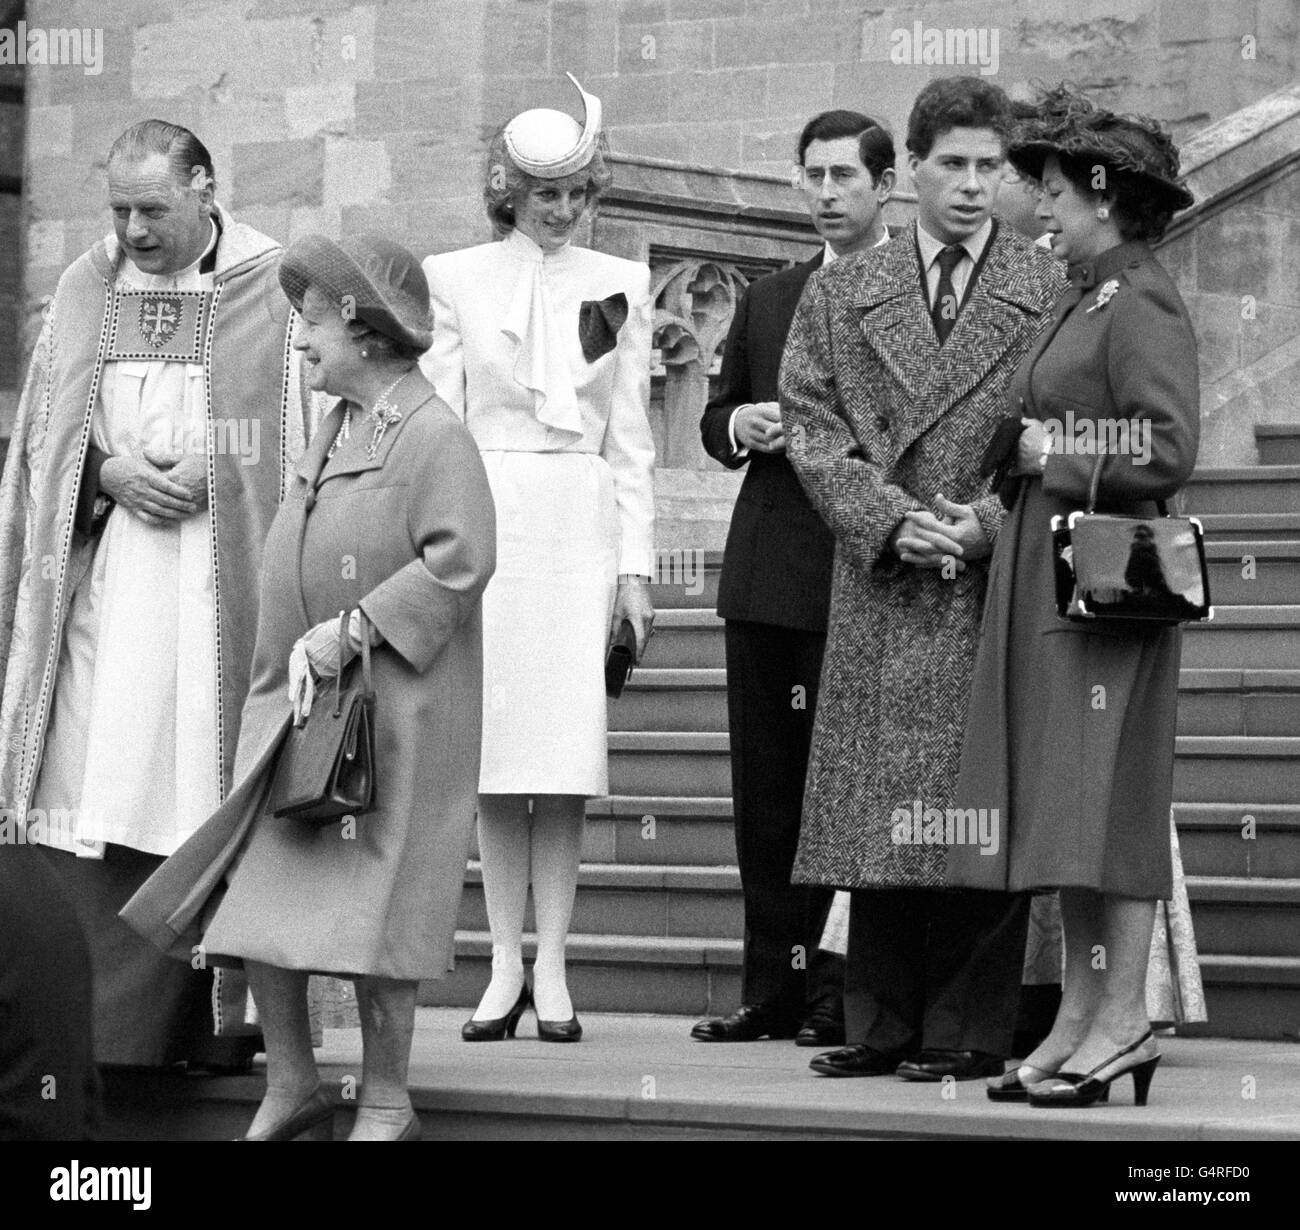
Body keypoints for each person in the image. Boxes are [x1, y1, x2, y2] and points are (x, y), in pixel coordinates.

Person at [123, 232, 497, 1140]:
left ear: (366, 331)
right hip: (300, 709)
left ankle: (386, 1101)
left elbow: (463, 558)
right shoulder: (335, 426)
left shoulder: (435, 433)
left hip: (395, 708)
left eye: (314, 325)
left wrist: (355, 628)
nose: (300, 344)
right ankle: (291, 1085)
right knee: (257, 901)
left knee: (380, 915)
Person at [0, 119, 308, 1070]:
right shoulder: (88, 287)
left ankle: (206, 1028)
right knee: (95, 783)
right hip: (109, 582)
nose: (131, 231)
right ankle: (92, 1035)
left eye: (152, 210)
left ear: (206, 188)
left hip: (216, 594)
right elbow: (40, 447)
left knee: (195, 783)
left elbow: (304, 437)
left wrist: (219, 467)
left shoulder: (273, 287)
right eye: (119, 209)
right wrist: (106, 475)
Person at [779, 76, 1067, 1080]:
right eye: (953, 164)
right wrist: (887, 521)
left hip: (989, 580)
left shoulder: (1048, 289)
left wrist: (984, 527)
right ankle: (884, 1024)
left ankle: (968, 1028)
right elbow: (810, 428)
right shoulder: (840, 288)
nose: (973, 186)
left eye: (992, 167)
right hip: (883, 577)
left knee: (974, 804)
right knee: (878, 809)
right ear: (912, 172)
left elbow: (1060, 440)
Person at [949, 87, 1202, 1108]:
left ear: (1105, 196)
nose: (1038, 207)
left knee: (1110, 812)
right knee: (1065, 815)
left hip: (1102, 590)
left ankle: (1126, 1023)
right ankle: (1079, 1019)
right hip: (1042, 576)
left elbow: (1167, 444)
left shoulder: (1139, 295)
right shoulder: (1080, 293)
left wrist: (1054, 451)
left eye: (1053, 191)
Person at [421, 74, 655, 1043]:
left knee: (561, 761)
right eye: (544, 192)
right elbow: (437, 426)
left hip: (577, 525)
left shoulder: (622, 283)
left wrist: (635, 570)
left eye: (577, 193)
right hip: (491, 524)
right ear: (507, 188)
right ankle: (501, 961)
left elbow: (631, 438)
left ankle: (554, 965)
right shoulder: (455, 278)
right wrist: (435, 550)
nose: (562, 211)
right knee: (494, 760)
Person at [692, 110, 896, 1047]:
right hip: (768, 575)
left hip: (866, 573)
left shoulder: (915, 291)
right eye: (810, 175)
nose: (824, 193)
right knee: (766, 797)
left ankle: (837, 996)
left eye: (843, 177)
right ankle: (770, 990)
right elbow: (715, 413)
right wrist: (742, 427)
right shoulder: (769, 296)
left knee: (845, 795)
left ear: (884, 185)